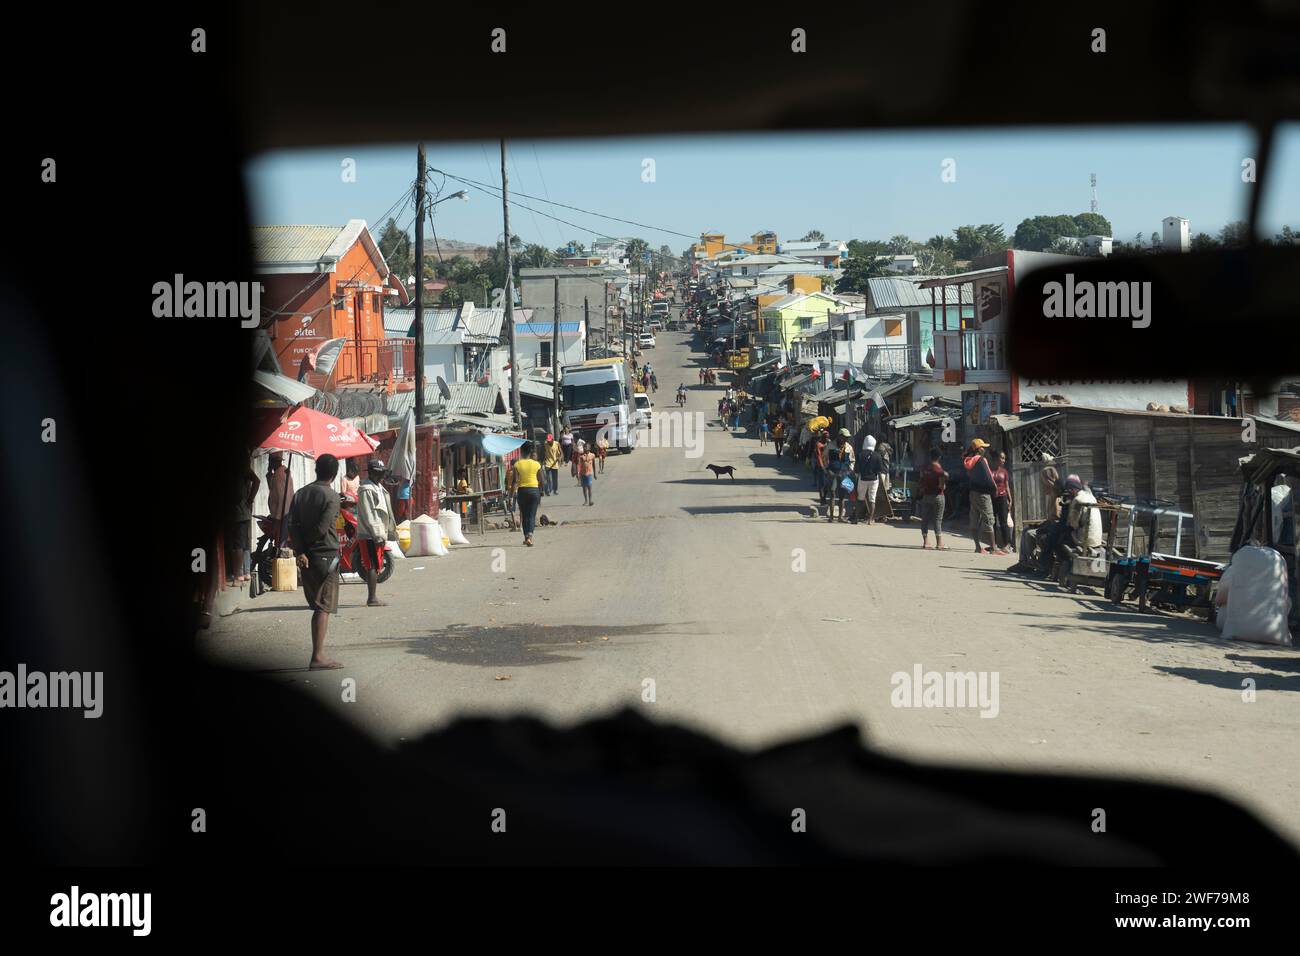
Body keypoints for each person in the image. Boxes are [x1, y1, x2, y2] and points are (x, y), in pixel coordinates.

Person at [288, 453, 343, 670]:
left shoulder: (301, 494)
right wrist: (308, 547)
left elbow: (292, 525)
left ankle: (317, 654)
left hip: (307, 557)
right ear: (334, 473)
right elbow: (322, 529)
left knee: (317, 606)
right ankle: (318, 656)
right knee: (323, 607)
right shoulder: (331, 496)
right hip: (325, 556)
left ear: (316, 469)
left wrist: (300, 550)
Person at [356, 458, 398, 607]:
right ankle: (372, 598)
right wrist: (377, 534)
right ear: (372, 473)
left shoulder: (377, 486)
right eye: (379, 473)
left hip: (378, 532)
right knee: (372, 565)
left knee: (376, 564)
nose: (381, 476)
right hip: (370, 534)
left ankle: (373, 597)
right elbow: (369, 515)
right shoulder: (366, 489)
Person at [964, 439, 1004, 555]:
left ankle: (977, 547)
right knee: (989, 519)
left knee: (974, 519)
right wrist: (994, 488)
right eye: (983, 447)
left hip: (973, 492)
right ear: (979, 449)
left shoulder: (970, 460)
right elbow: (988, 477)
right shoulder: (981, 460)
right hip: (983, 494)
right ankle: (993, 548)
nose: (985, 449)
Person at [227, 462, 260, 586]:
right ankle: (245, 573)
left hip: (239, 512)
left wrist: (250, 499)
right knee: (243, 544)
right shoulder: (243, 468)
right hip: (242, 512)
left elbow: (257, 481)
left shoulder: (242, 468)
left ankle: (238, 576)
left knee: (238, 545)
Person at [507, 441, 542, 546]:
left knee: (525, 515)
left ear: (521, 452)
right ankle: (530, 537)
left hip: (522, 491)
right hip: (534, 491)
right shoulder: (536, 464)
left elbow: (515, 481)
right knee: (531, 515)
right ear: (530, 452)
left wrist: (511, 496)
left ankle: (526, 536)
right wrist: (540, 492)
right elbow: (542, 480)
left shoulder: (517, 464)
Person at [919, 447, 948, 549]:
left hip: (926, 496)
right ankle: (939, 543)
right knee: (937, 520)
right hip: (938, 496)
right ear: (939, 457)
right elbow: (941, 486)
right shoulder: (939, 470)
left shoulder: (924, 468)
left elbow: (921, 482)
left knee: (925, 519)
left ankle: (926, 542)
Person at [265, 452, 294, 548]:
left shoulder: (279, 475)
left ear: (273, 461)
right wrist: (269, 475)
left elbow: (282, 499)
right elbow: (273, 491)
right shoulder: (283, 471)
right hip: (285, 513)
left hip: (282, 516)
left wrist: (277, 520)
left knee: (280, 545)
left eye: (270, 461)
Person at [827, 429, 855, 523]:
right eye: (844, 437)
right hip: (833, 473)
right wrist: (827, 470)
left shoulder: (849, 447)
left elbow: (852, 461)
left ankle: (840, 517)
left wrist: (849, 471)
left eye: (847, 438)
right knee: (832, 494)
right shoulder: (830, 446)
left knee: (842, 496)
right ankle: (831, 517)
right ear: (839, 436)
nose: (846, 439)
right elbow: (824, 458)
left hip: (844, 474)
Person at [991, 450, 1015, 552]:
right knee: (992, 522)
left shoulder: (1004, 471)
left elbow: (1007, 486)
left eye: (1004, 458)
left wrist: (1010, 499)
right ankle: (994, 544)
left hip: (1002, 497)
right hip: (992, 498)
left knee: (1003, 522)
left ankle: (1007, 544)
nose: (1003, 460)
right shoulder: (990, 471)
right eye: (1002, 458)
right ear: (996, 459)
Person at [857, 435, 883, 523]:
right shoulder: (878, 455)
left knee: (860, 498)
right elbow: (880, 469)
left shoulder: (860, 454)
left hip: (863, 479)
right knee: (872, 499)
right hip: (874, 480)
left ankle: (857, 517)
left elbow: (857, 469)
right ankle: (870, 519)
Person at [576, 441, 597, 506]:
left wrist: (595, 474)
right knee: (584, 488)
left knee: (589, 487)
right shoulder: (581, 456)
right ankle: (586, 500)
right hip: (583, 474)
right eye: (584, 447)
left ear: (589, 448)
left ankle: (590, 500)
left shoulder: (592, 455)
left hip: (589, 474)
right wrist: (578, 474)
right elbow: (579, 465)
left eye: (586, 447)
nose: (584, 448)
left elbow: (593, 465)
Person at [813, 429, 830, 505]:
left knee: (827, 484)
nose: (827, 438)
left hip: (828, 465)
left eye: (828, 437)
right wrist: (822, 467)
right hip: (820, 466)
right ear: (822, 437)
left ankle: (824, 497)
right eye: (825, 437)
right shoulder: (818, 444)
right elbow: (819, 456)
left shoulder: (829, 444)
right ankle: (822, 499)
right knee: (822, 483)